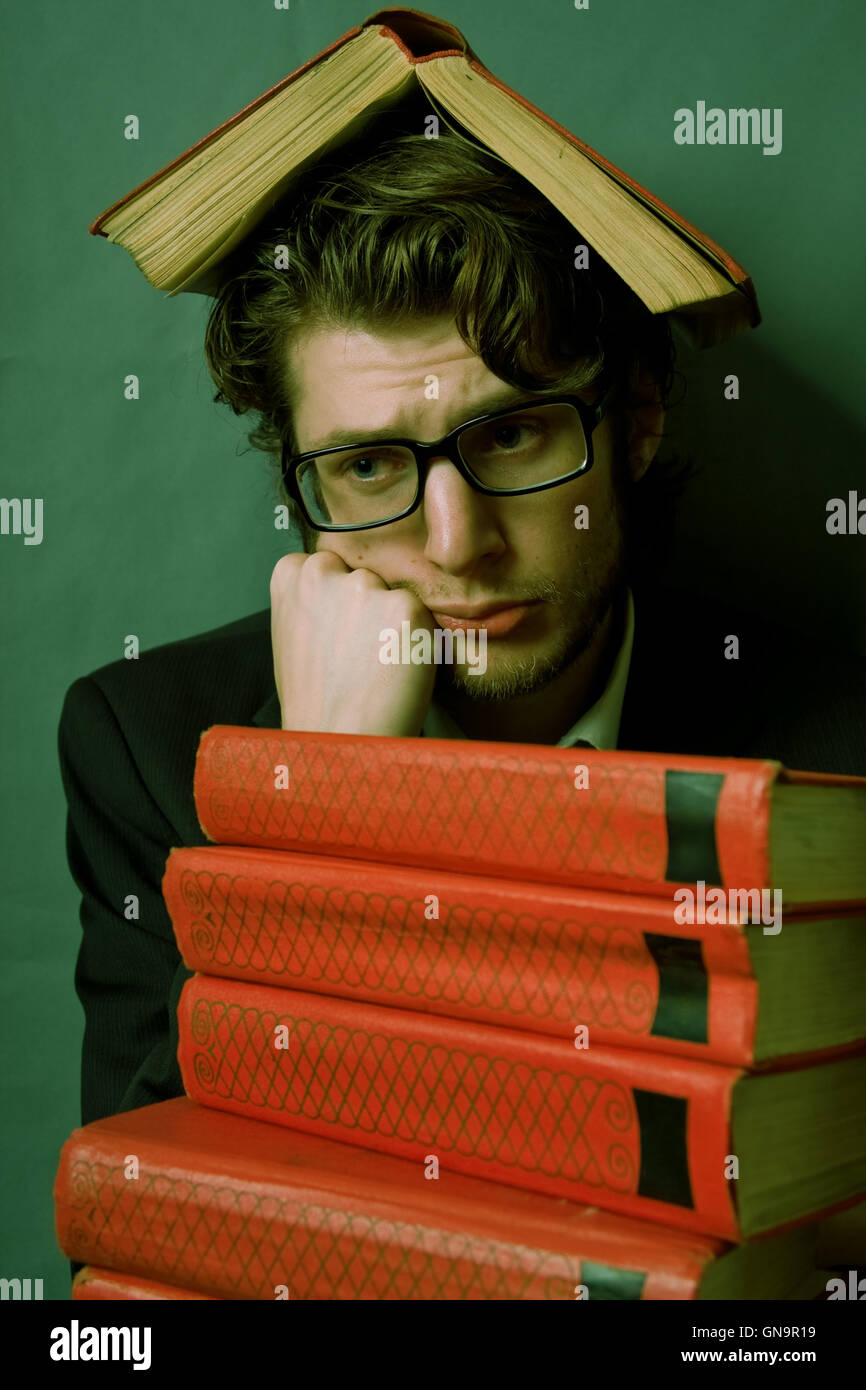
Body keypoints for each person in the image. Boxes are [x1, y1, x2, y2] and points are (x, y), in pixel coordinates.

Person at [59, 121, 865, 1137]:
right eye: (368, 465)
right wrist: (317, 812)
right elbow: (154, 1226)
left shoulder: (839, 756)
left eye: (514, 433)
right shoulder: (143, 747)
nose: (456, 542)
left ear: (639, 419)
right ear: (299, 491)